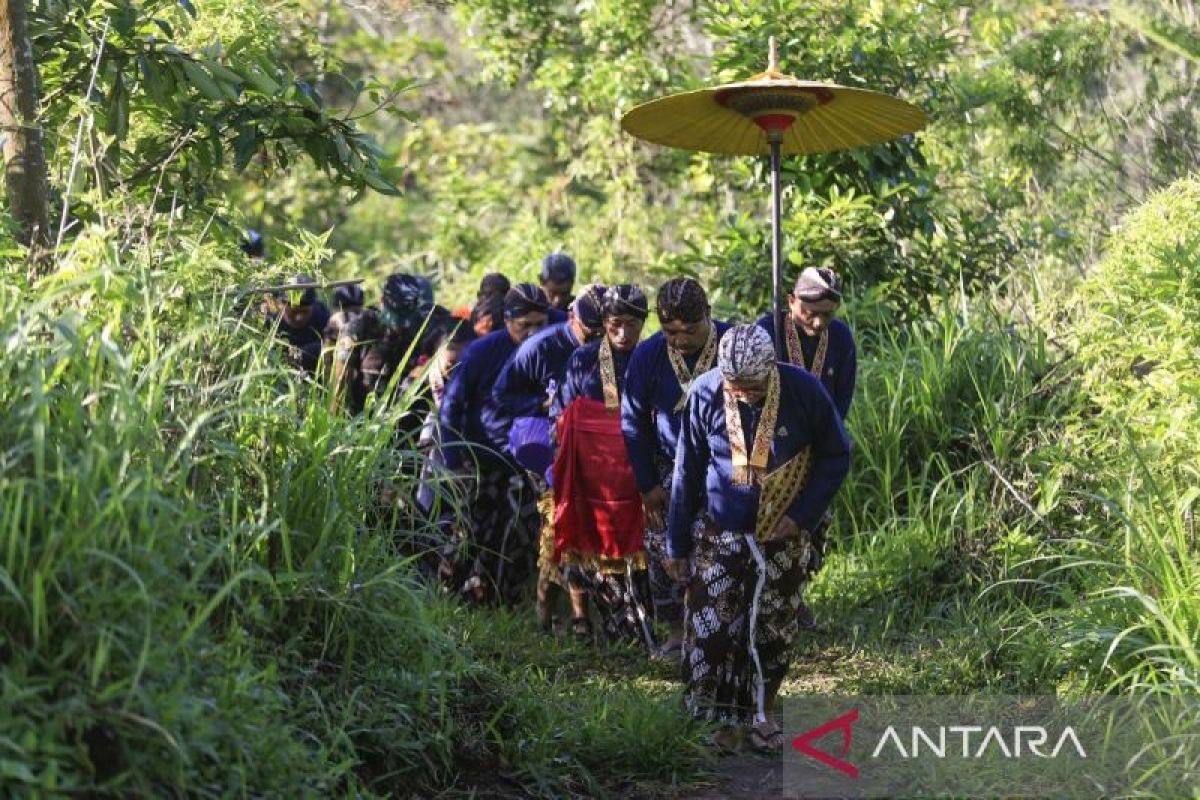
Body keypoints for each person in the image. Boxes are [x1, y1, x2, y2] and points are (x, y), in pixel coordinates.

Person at [665, 325, 850, 752]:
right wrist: (676, 544)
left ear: (771, 370)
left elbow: (836, 455)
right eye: (736, 387)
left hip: (781, 537)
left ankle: (762, 716)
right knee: (712, 630)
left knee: (772, 627)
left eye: (752, 387)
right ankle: (711, 721)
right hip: (720, 533)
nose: (744, 395)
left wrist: (802, 516)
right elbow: (686, 472)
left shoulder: (804, 391)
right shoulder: (705, 394)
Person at [622, 277, 732, 658]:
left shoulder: (733, 344)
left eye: (691, 330)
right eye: (671, 331)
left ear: (709, 316)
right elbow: (633, 421)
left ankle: (717, 625)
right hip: (668, 464)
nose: (681, 340)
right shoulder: (649, 356)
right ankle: (673, 630)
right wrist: (647, 483)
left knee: (720, 542)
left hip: (725, 463)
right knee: (661, 544)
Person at [491, 285, 607, 632]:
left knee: (588, 524)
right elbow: (502, 394)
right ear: (573, 318)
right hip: (547, 449)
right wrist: (539, 407)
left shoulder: (611, 348)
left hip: (594, 448)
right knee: (558, 523)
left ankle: (585, 612)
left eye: (605, 329)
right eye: (592, 330)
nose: (599, 337)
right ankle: (549, 608)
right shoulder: (540, 347)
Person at [550, 284, 654, 648]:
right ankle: (608, 627)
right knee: (599, 556)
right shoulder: (583, 360)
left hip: (641, 476)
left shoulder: (654, 357)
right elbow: (562, 415)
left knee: (645, 555)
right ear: (604, 323)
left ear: (644, 322)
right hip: (597, 480)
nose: (623, 334)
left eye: (632, 325)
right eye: (615, 325)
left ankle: (648, 626)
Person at [438, 283, 551, 606]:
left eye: (538, 324)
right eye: (523, 325)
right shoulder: (482, 352)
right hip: (481, 456)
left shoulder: (554, 345)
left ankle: (504, 599)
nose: (532, 332)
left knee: (523, 533)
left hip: (530, 459)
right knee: (471, 531)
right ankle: (448, 594)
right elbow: (451, 407)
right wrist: (452, 461)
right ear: (507, 320)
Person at [756, 266, 856, 628]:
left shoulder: (840, 340)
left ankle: (795, 595)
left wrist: (824, 439)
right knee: (767, 524)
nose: (817, 323)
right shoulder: (768, 331)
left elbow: (841, 398)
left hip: (817, 447)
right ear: (790, 301)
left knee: (810, 527)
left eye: (826, 316)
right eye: (809, 313)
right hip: (773, 449)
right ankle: (765, 598)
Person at [331, 273, 426, 416]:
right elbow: (340, 378)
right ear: (382, 302)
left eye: (405, 316)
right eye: (396, 315)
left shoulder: (422, 327)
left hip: (407, 417)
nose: (399, 326)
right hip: (362, 417)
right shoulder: (360, 327)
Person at [262, 273, 331, 375]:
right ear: (281, 305)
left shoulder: (322, 316)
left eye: (304, 312)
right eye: (294, 312)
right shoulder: (271, 320)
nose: (299, 318)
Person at [540, 252, 576, 322]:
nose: (558, 300)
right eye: (552, 293)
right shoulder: (531, 310)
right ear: (542, 282)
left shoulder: (579, 310)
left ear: (572, 284)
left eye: (564, 294)